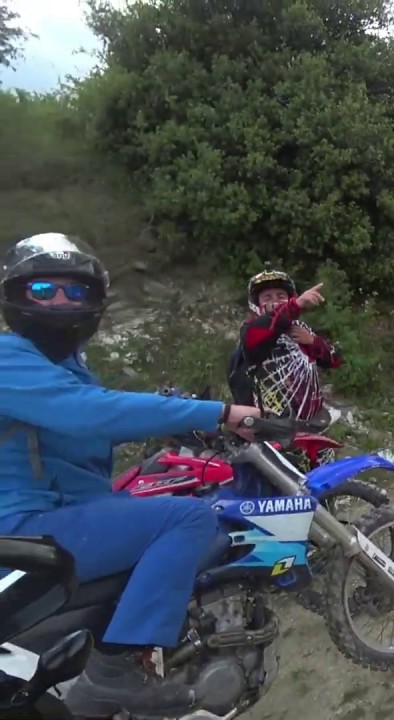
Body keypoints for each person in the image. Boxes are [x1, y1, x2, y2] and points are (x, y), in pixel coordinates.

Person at [0, 232, 262, 717]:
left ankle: (142, 655)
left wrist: (164, 440)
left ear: (93, 302)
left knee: (151, 499)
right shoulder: (6, 357)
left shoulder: (64, 369)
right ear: (17, 297)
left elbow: (87, 429)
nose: (60, 300)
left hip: (62, 516)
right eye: (43, 290)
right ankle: (115, 671)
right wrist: (217, 412)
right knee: (189, 520)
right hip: (26, 530)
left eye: (74, 291)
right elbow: (89, 414)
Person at [228, 269, 341, 428]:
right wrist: (295, 305)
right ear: (256, 303)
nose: (276, 301)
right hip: (271, 426)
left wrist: (313, 342)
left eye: (281, 296)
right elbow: (269, 325)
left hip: (312, 422)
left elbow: (334, 360)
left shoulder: (301, 328)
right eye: (267, 297)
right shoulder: (252, 330)